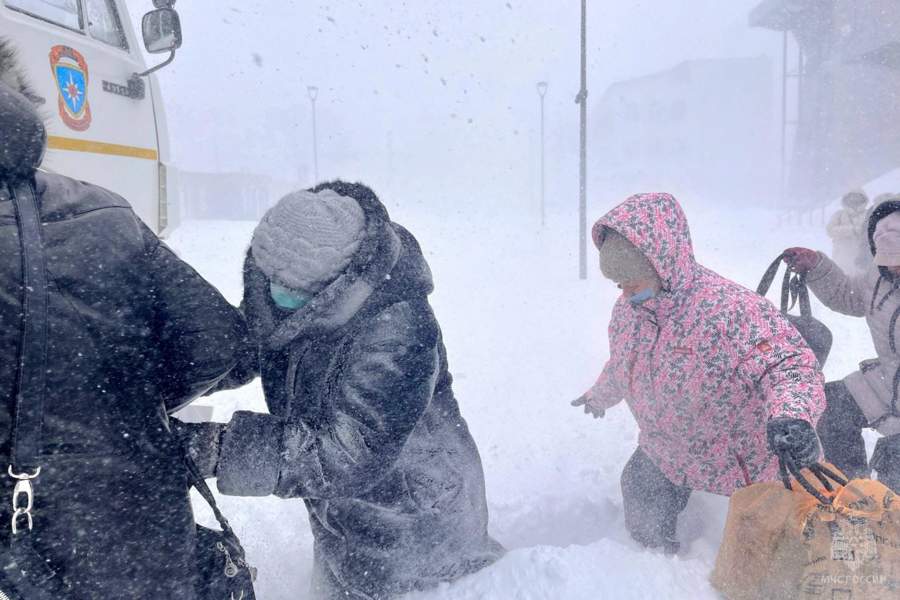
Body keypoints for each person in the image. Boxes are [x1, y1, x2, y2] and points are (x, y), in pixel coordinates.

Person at [0, 40, 247, 598]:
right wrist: (122, 402)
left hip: (23, 547)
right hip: (137, 526)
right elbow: (220, 340)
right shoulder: (105, 211)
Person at [176, 182, 504, 599]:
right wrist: (165, 380)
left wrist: (217, 448)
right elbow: (252, 343)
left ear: (335, 282)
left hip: (413, 515)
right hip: (343, 513)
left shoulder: (397, 329)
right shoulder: (295, 288)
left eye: (292, 290)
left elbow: (350, 453)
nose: (277, 297)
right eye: (271, 283)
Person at [573, 192, 826, 554]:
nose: (626, 294)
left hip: (739, 457)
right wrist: (600, 395)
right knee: (639, 494)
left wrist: (792, 415)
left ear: (661, 264)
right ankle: (655, 567)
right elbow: (624, 362)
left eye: (633, 281)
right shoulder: (629, 312)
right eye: (619, 284)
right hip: (667, 451)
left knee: (763, 549)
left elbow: (790, 365)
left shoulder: (730, 310)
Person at [784, 197, 900, 492]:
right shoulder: (879, 277)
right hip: (891, 381)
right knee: (831, 405)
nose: (895, 271)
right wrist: (816, 267)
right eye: (889, 262)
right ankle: (850, 492)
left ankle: (889, 520)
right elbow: (849, 295)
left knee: (894, 461)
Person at [826, 190, 869, 276]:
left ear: (863, 200)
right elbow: (830, 230)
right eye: (851, 198)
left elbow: (872, 230)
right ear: (846, 200)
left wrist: (861, 231)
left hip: (863, 256)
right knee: (842, 283)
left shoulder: (869, 213)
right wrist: (852, 230)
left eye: (857, 198)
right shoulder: (839, 214)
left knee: (863, 284)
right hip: (842, 256)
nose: (854, 201)